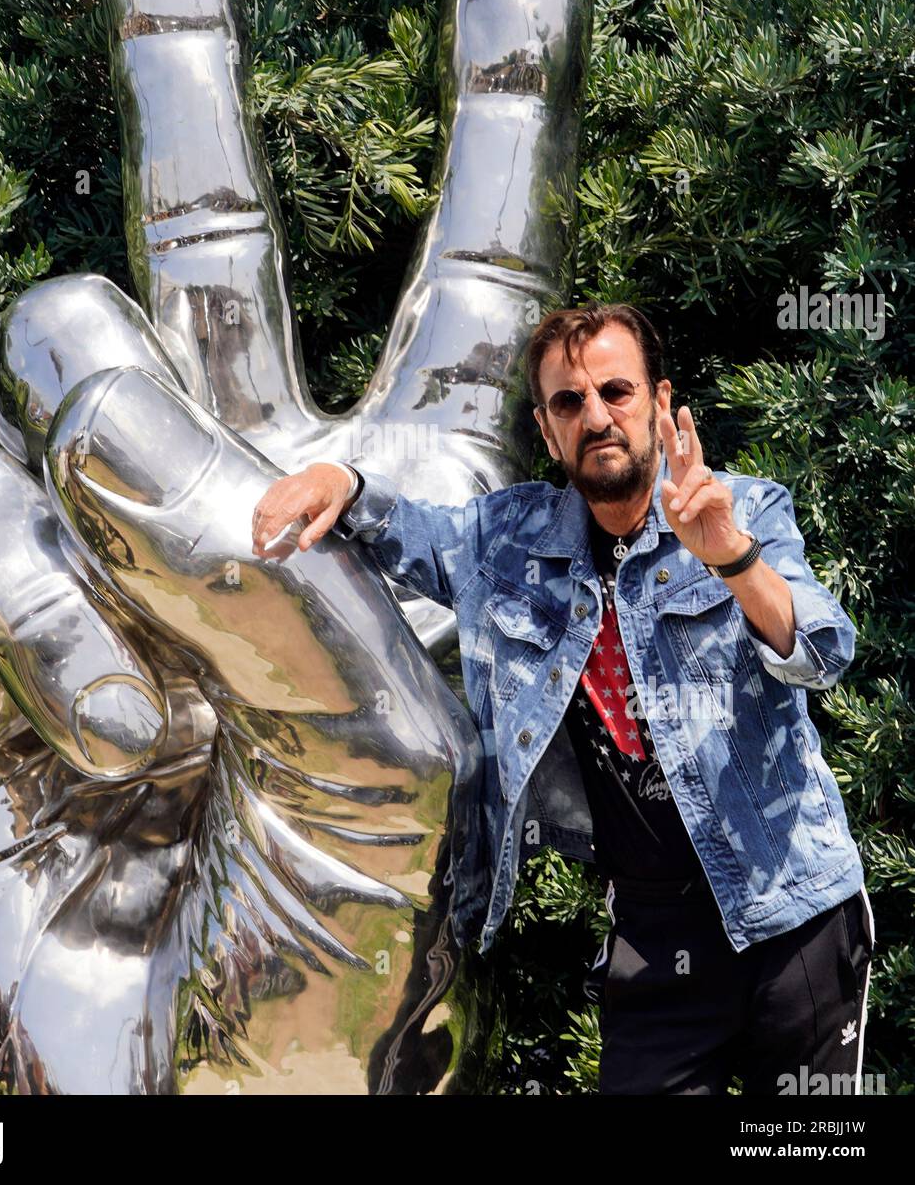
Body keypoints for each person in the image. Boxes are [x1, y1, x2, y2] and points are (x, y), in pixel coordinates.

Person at [250, 301, 875, 1095]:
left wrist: (731, 560)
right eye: (568, 403)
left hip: (792, 914)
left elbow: (821, 654)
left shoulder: (741, 512)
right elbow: (404, 527)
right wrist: (336, 477)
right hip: (653, 938)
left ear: (658, 401)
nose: (597, 417)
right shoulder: (507, 542)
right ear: (547, 432)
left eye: (616, 392)